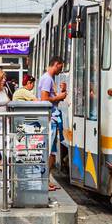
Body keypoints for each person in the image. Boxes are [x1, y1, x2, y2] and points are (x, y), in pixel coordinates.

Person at [37, 56, 66, 190]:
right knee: (49, 152)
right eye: (61, 67)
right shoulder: (47, 78)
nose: (62, 69)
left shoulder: (49, 78)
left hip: (52, 118)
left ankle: (46, 180)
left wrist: (60, 94)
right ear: (56, 64)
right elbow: (44, 99)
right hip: (49, 119)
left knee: (52, 152)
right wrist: (59, 97)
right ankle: (44, 180)